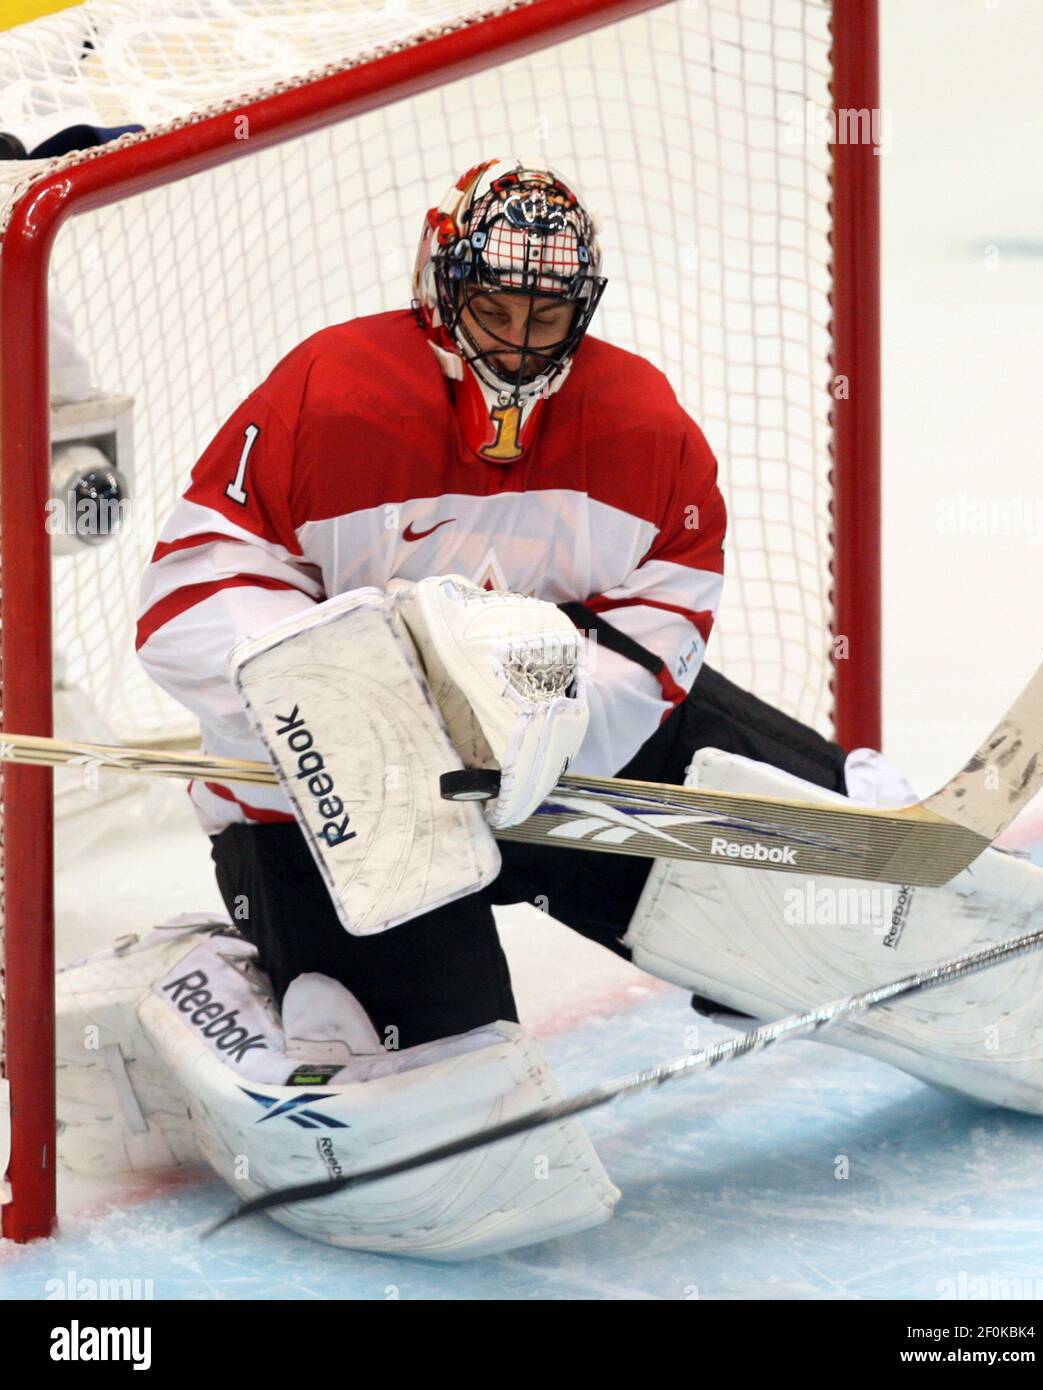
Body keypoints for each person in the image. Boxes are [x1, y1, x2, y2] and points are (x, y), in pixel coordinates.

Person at [136, 156, 855, 1051]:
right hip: (343, 814)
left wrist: (545, 718)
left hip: (555, 779)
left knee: (836, 892)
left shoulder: (640, 424)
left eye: (546, 315)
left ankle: (865, 841)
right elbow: (191, 589)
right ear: (441, 290)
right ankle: (231, 989)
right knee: (445, 1077)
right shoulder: (332, 396)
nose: (519, 342)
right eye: (495, 310)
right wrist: (342, 709)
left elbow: (662, 617)